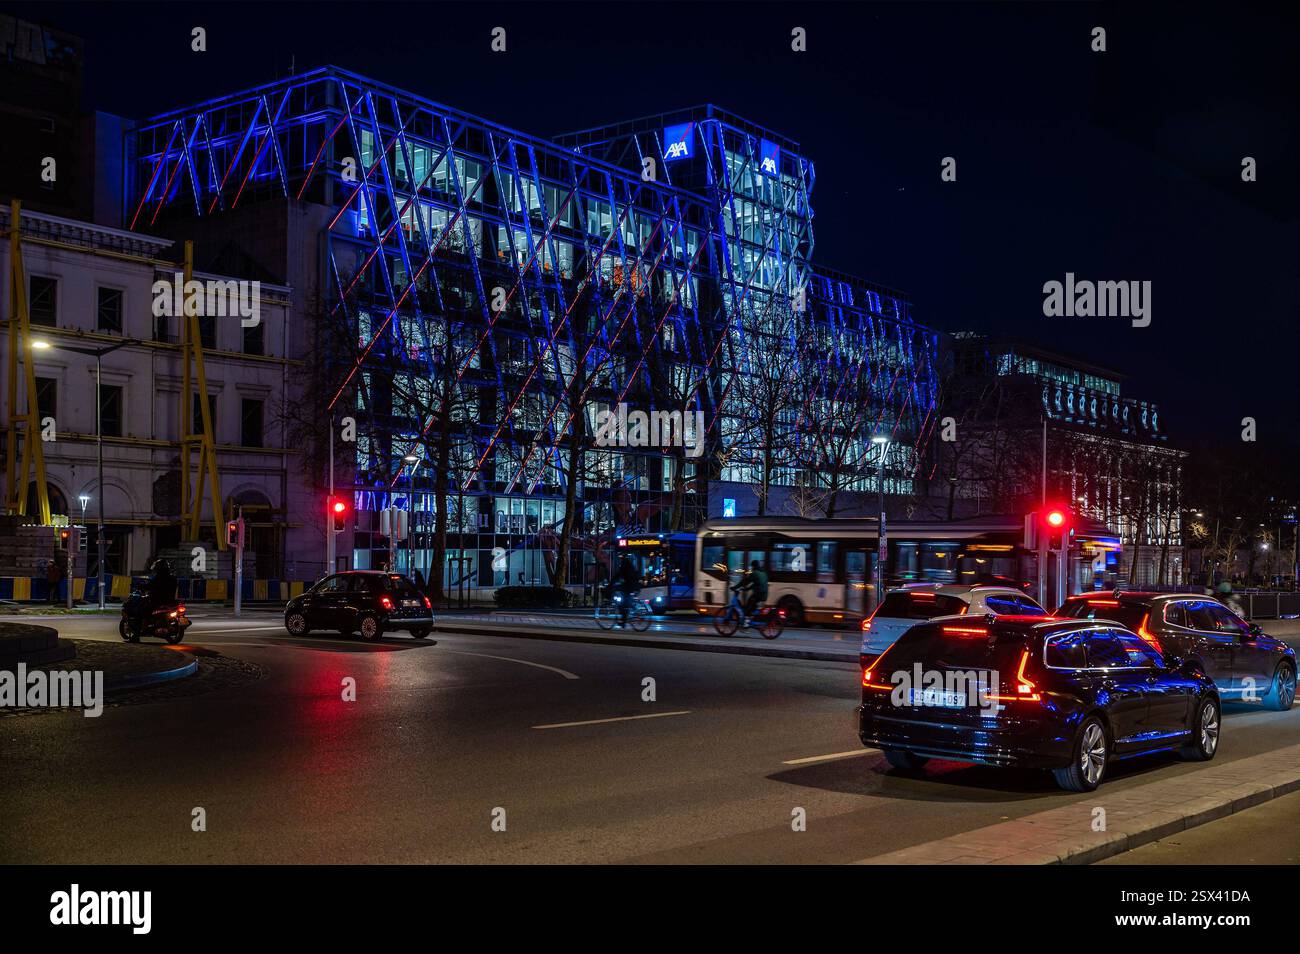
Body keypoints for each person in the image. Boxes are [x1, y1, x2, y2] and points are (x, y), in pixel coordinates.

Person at [613, 554, 640, 627]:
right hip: (634, 587)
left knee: (622, 604)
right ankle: (631, 610)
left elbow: (618, 575)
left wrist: (612, 583)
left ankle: (623, 621)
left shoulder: (624, 565)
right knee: (626, 603)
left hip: (630, 587)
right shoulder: (630, 566)